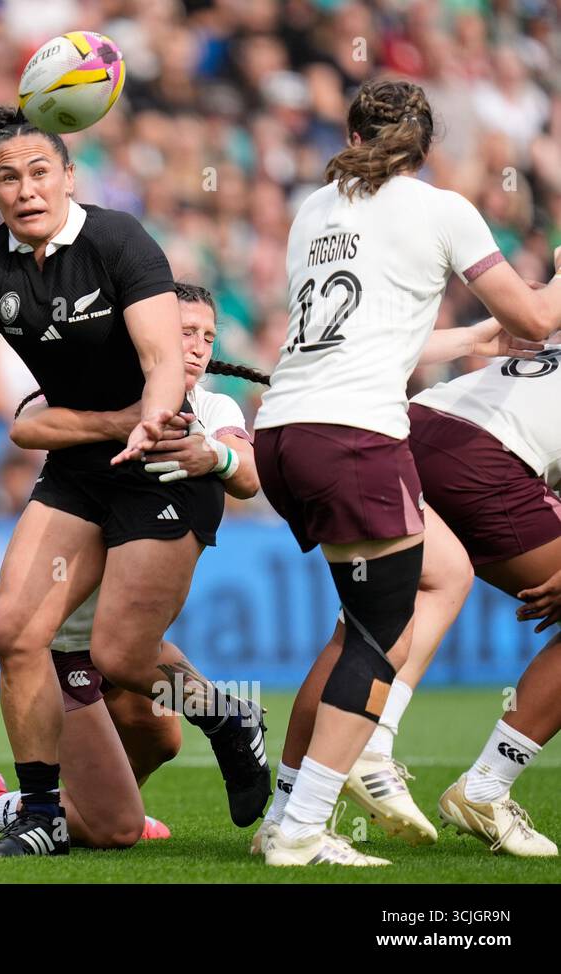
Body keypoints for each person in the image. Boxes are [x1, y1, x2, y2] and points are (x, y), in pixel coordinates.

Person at [0, 102, 270, 857]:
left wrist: (151, 419)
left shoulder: (117, 238)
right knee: (13, 631)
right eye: (8, 177)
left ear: (69, 177)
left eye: (40, 172)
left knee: (124, 657)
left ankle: (229, 717)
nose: (26, 188)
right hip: (80, 472)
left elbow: (165, 360)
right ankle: (38, 814)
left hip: (159, 463)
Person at [252, 79, 561, 867]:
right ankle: (308, 823)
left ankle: (285, 807)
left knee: (430, 582)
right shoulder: (441, 207)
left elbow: (362, 336)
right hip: (356, 438)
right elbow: (536, 318)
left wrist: (466, 343)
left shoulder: (314, 210)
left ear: (351, 134)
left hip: (285, 432)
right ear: (425, 146)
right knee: (378, 633)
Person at [0, 282, 269, 849]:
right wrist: (117, 421)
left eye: (207, 335)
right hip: (68, 653)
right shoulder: (98, 386)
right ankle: (7, 806)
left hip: (120, 646)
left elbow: (248, 476)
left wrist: (218, 455)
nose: (199, 347)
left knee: (160, 737)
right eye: (184, 333)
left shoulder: (212, 407)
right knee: (119, 830)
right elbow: (26, 424)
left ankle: (95, 802)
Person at [257, 316, 561, 857]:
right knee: (408, 604)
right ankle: (482, 787)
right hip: (486, 456)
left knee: (365, 625)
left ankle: (284, 816)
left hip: (414, 427)